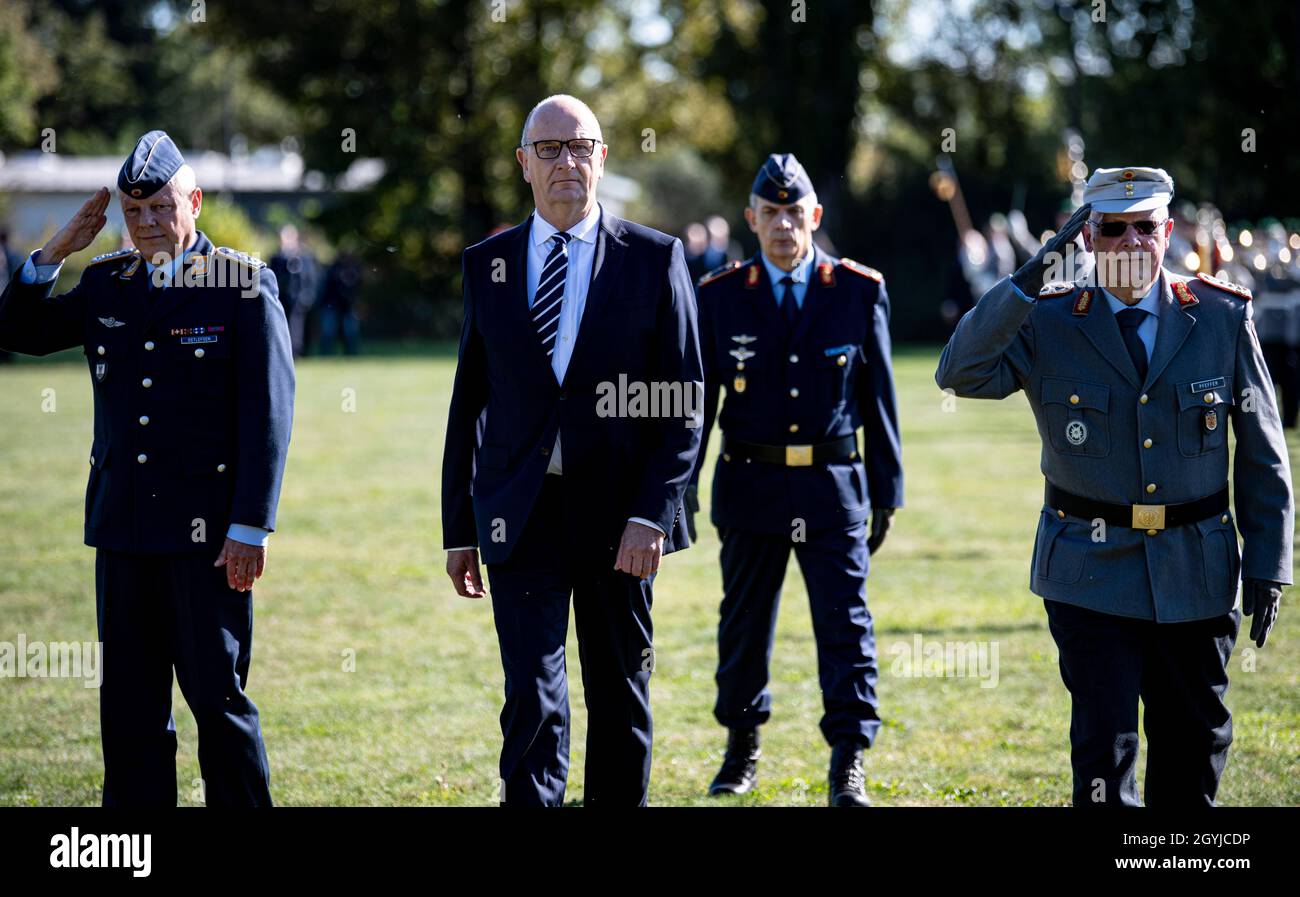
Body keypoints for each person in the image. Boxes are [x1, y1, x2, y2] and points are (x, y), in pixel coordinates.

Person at [936, 166, 1293, 807]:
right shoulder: (1048, 318)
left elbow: (1264, 453)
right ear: (1087, 237)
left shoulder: (1219, 316)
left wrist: (1268, 562)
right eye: (1112, 228)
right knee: (1103, 756)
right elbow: (959, 371)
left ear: (1167, 233)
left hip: (1197, 573)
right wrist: (1030, 274)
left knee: (1194, 751)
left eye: (1145, 228)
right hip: (1089, 573)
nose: (1131, 243)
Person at [0, 130, 295, 807]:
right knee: (128, 710)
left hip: (208, 539)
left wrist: (251, 525)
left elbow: (269, 415)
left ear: (193, 201)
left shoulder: (242, 284)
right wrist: (55, 253)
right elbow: (17, 332)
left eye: (162, 208)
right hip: (125, 530)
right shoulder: (108, 281)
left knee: (218, 701)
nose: (150, 224)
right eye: (135, 213)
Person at [441, 95, 703, 807]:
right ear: (524, 164)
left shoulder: (654, 260)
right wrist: (459, 528)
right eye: (549, 149)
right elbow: (469, 404)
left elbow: (683, 403)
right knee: (530, 693)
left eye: (579, 146)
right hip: (520, 514)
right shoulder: (486, 264)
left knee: (618, 693)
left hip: (622, 520)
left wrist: (653, 514)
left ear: (602, 158)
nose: (566, 162)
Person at [688, 153, 903, 807]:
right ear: (751, 220)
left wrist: (888, 492)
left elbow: (880, 402)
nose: (783, 224)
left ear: (815, 215)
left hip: (833, 488)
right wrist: (679, 488)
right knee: (743, 625)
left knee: (846, 626)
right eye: (770, 212)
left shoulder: (858, 290)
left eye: (794, 211)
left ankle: (848, 761)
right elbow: (701, 407)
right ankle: (741, 748)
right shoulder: (721, 296)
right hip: (749, 484)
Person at [270, 224, 320, 358]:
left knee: (298, 326)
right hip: (282, 298)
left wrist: (307, 296)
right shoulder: (277, 258)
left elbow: (310, 278)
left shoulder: (304, 257)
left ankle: (297, 350)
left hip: (298, 299)